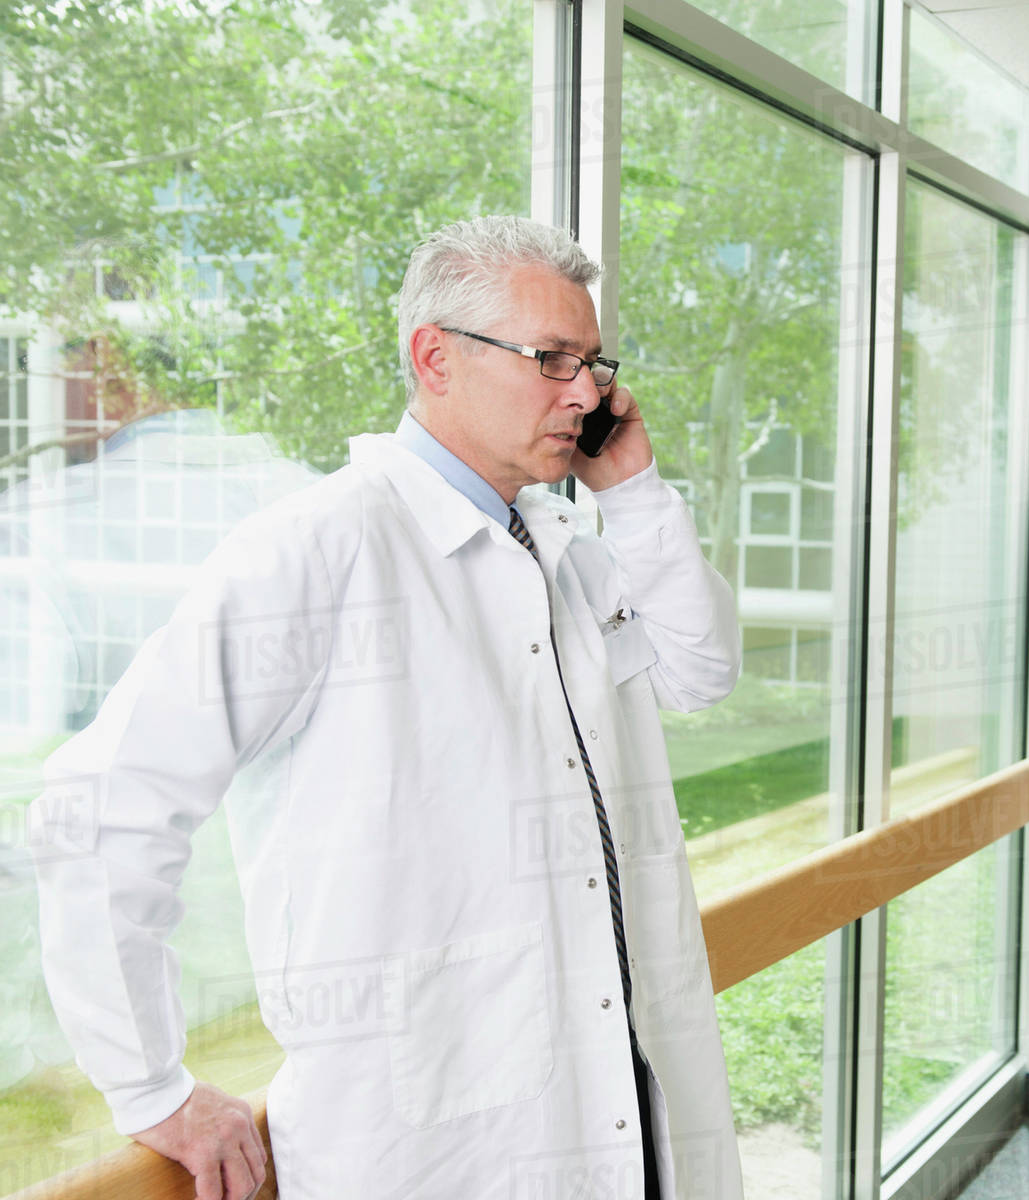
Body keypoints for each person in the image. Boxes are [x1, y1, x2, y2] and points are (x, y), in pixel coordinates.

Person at [33, 215, 744, 1199]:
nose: (586, 394)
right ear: (435, 358)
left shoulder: (569, 547)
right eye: (551, 360)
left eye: (592, 362)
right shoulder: (316, 551)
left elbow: (701, 671)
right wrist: (150, 1086)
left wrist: (632, 489)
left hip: (621, 1103)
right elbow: (105, 806)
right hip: (435, 1147)